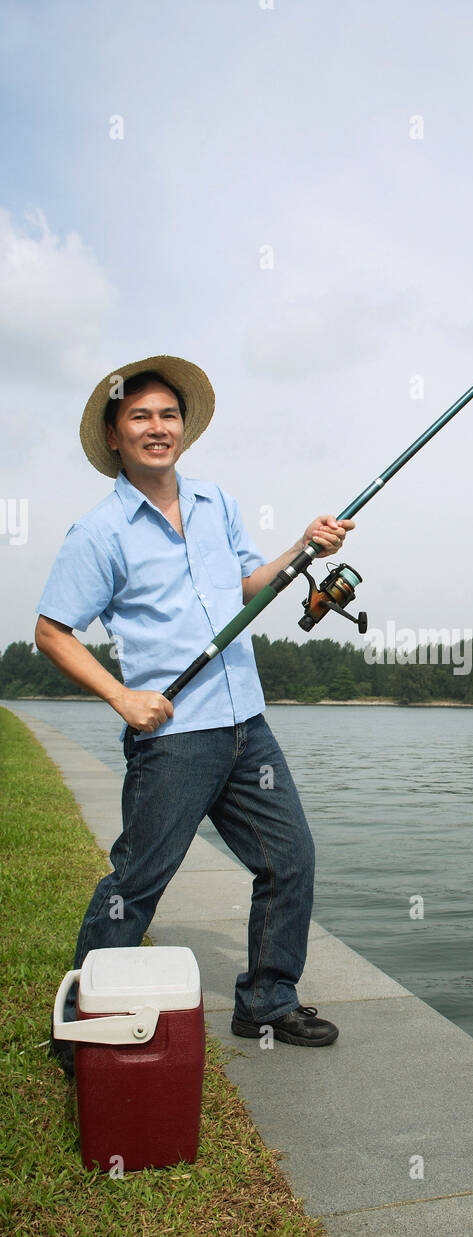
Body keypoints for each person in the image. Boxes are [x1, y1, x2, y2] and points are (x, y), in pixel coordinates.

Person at [36, 354, 354, 1078]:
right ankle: (82, 1024)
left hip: (247, 724)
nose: (158, 428)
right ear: (114, 435)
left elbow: (247, 585)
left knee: (290, 859)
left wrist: (302, 547)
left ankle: (267, 1001)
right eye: (139, 416)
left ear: (184, 427)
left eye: (168, 415)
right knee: (136, 884)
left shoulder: (216, 502)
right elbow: (52, 632)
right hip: (173, 738)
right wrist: (122, 697)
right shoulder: (99, 532)